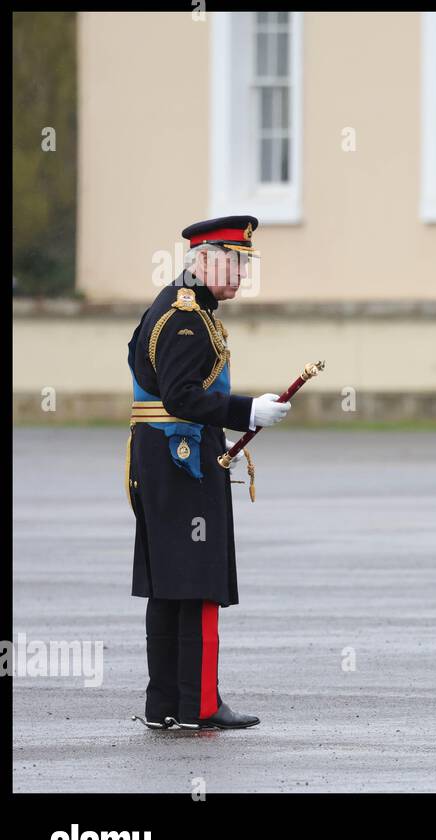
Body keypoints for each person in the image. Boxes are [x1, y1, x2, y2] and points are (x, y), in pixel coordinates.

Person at [127, 215, 291, 730]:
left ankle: (166, 704)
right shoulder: (186, 316)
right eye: (234, 261)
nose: (242, 273)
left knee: (170, 585)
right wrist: (246, 413)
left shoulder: (182, 305)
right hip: (183, 463)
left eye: (245, 263)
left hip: (174, 454)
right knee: (195, 585)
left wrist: (221, 435)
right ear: (203, 260)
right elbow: (180, 395)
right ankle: (198, 705)